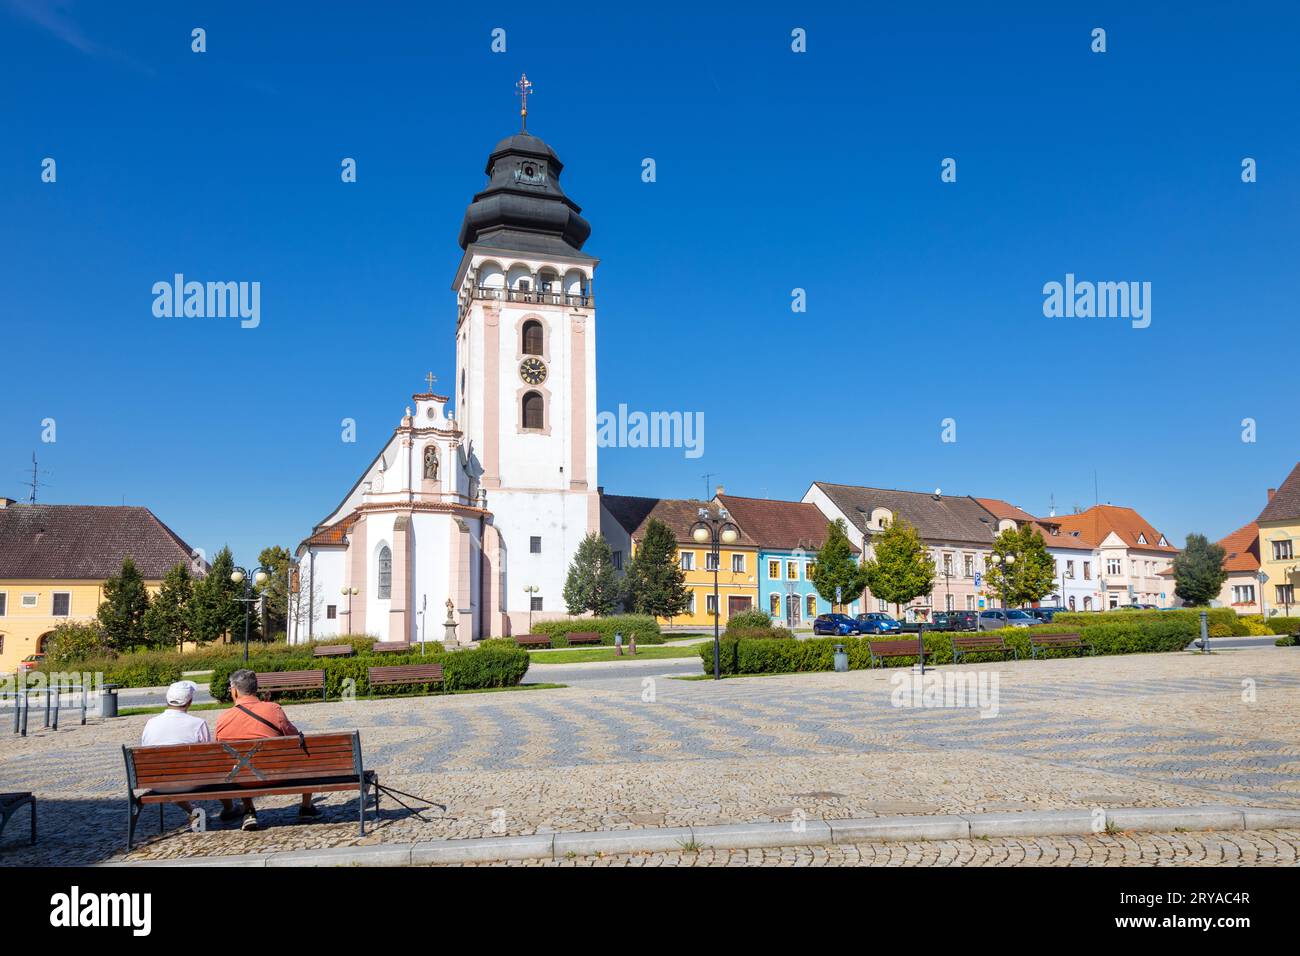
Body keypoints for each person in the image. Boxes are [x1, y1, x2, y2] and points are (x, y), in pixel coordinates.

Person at [214, 668, 317, 831]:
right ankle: (306, 807)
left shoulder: (223, 718)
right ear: (255, 688)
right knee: (305, 755)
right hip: (277, 774)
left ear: (234, 691)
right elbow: (294, 737)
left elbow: (221, 752)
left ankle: (248, 811)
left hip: (241, 779)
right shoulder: (273, 709)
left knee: (240, 763)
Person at [140, 680, 211, 825]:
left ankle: (193, 811)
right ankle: (229, 809)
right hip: (191, 783)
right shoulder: (198, 724)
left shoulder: (151, 723)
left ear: (167, 700)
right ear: (190, 701)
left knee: (169, 775)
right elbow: (209, 757)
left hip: (157, 783)